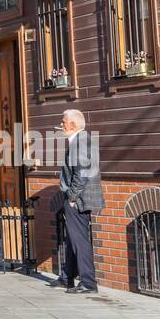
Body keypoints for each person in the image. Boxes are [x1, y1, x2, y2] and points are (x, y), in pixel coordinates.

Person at [54, 108, 104, 295]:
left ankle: (88, 283)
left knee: (79, 239)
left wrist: (73, 197)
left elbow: (82, 173)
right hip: (77, 197)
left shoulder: (81, 141)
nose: (61, 125)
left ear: (73, 124)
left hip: (79, 198)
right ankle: (68, 277)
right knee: (72, 237)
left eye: (63, 121)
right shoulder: (78, 140)